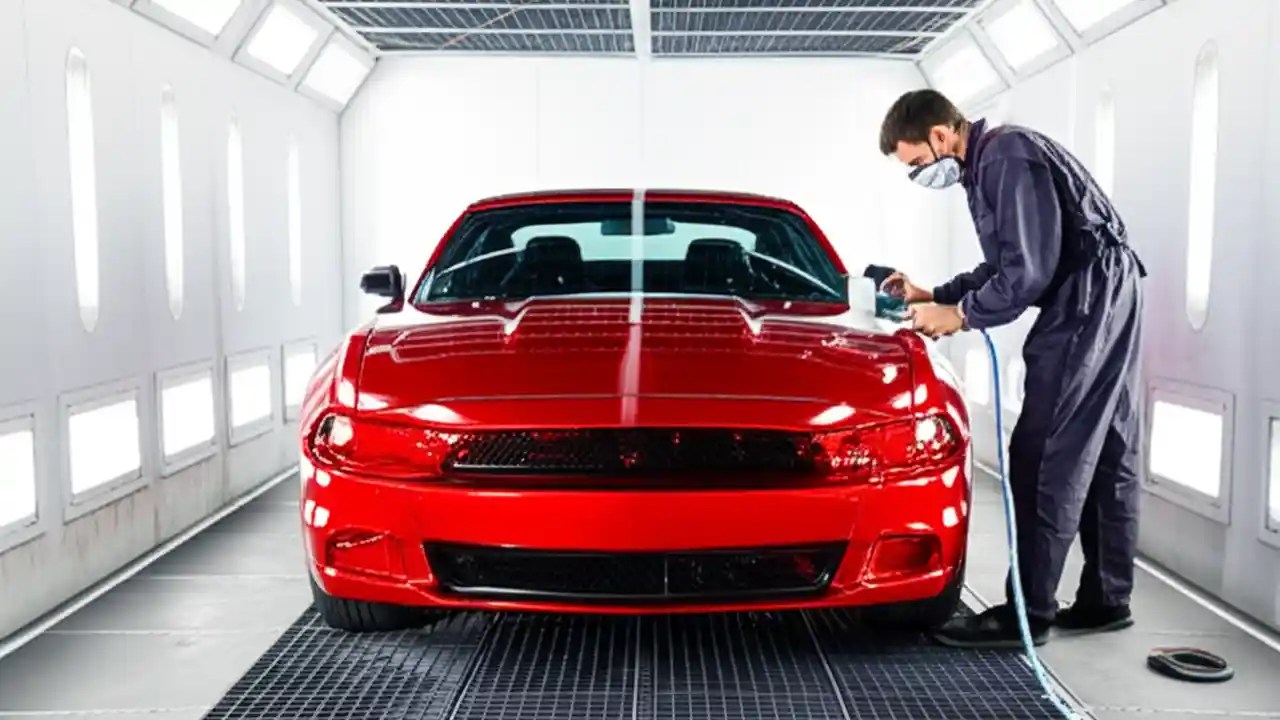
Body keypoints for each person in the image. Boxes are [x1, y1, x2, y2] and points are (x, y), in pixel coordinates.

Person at [877, 89, 1147, 648]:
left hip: (1086, 297)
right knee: (1107, 450)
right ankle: (1106, 598)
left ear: (940, 134)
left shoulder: (1005, 156)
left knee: (1042, 453)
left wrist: (961, 316)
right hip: (1110, 290)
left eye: (917, 163)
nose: (919, 176)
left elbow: (1027, 273)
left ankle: (1027, 612)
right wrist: (935, 293)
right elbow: (1003, 264)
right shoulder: (989, 164)